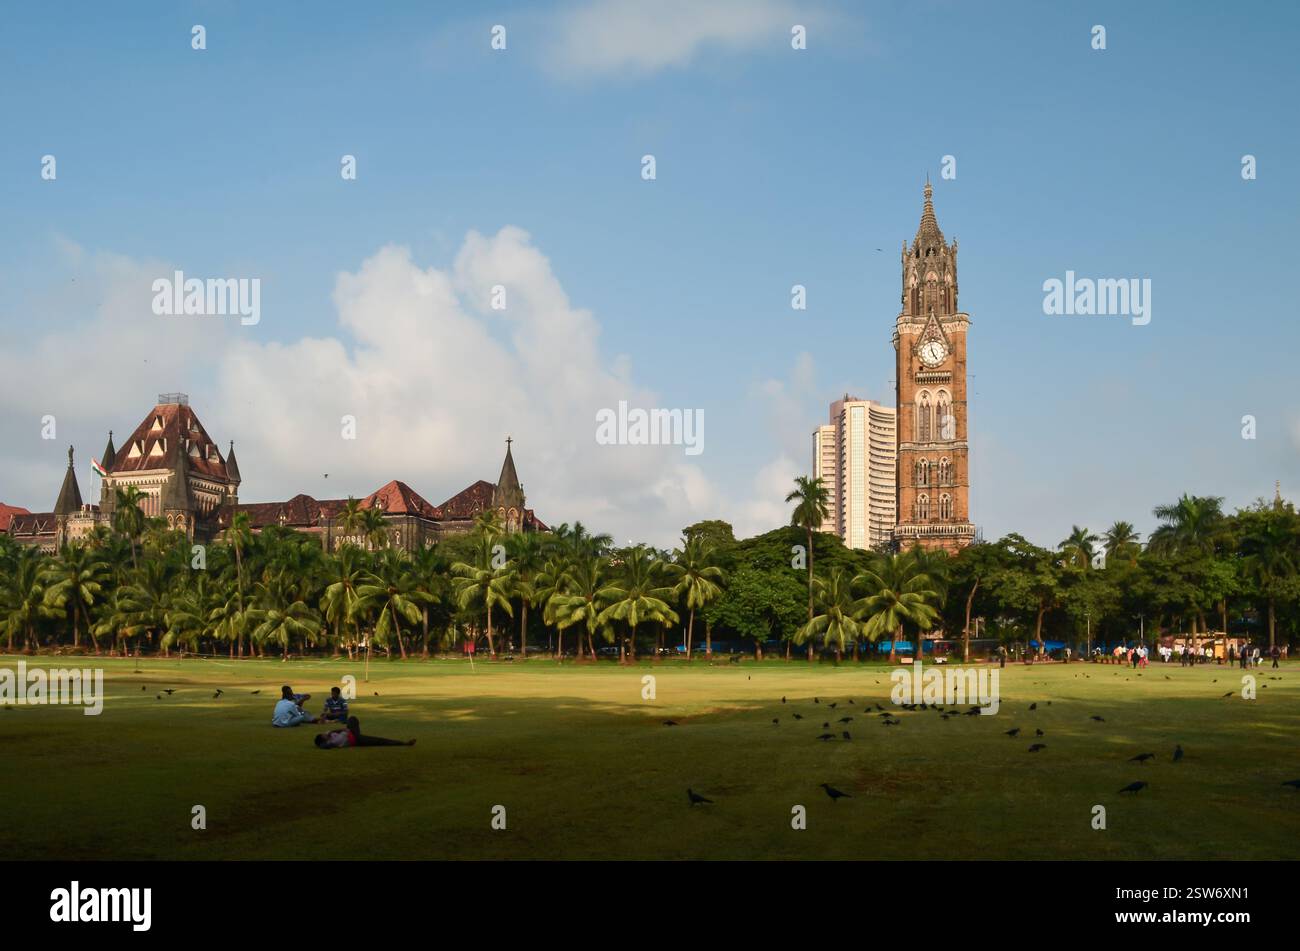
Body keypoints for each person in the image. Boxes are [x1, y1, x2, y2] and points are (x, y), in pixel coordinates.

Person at [315, 716, 415, 748]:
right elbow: (344, 732)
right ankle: (403, 743)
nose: (325, 733)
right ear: (324, 739)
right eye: (323, 735)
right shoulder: (334, 741)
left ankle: (403, 743)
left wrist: (331, 732)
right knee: (378, 741)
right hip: (355, 739)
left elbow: (338, 730)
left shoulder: (330, 735)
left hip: (352, 733)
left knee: (352, 718)